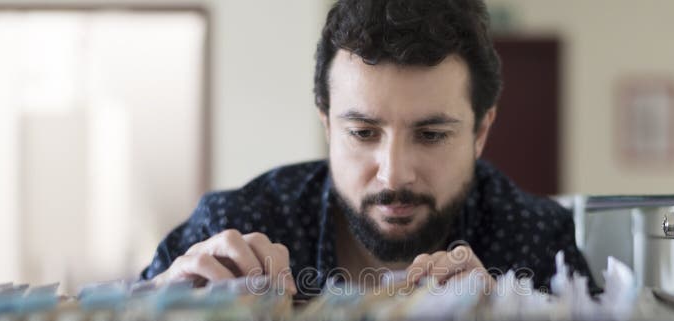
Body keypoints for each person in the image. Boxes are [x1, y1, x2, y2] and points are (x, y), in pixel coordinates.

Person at [140, 0, 595, 296]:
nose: (394, 175)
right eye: (362, 132)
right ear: (326, 124)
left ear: (481, 132)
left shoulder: (536, 243)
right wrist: (153, 311)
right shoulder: (236, 224)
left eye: (431, 135)